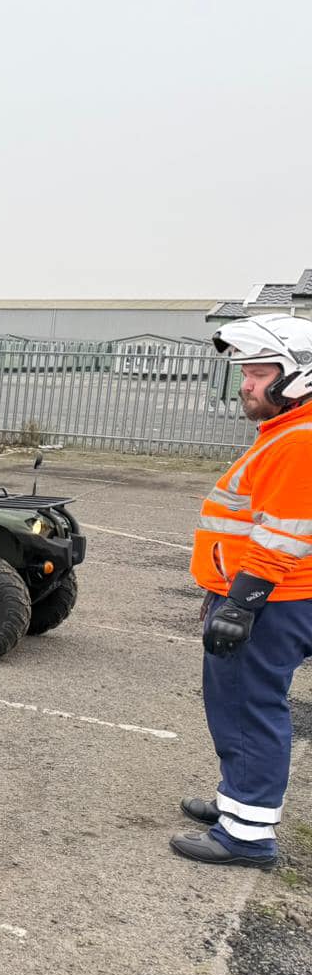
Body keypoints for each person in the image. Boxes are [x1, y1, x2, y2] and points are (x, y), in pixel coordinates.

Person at [171, 314, 312, 868]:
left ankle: (247, 835)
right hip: (266, 597)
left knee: (251, 707)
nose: (245, 385)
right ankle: (238, 804)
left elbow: (283, 535)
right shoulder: (285, 434)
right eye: (246, 373)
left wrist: (241, 604)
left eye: (257, 373)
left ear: (296, 376)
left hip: (269, 601)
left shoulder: (298, 442)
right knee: (234, 704)